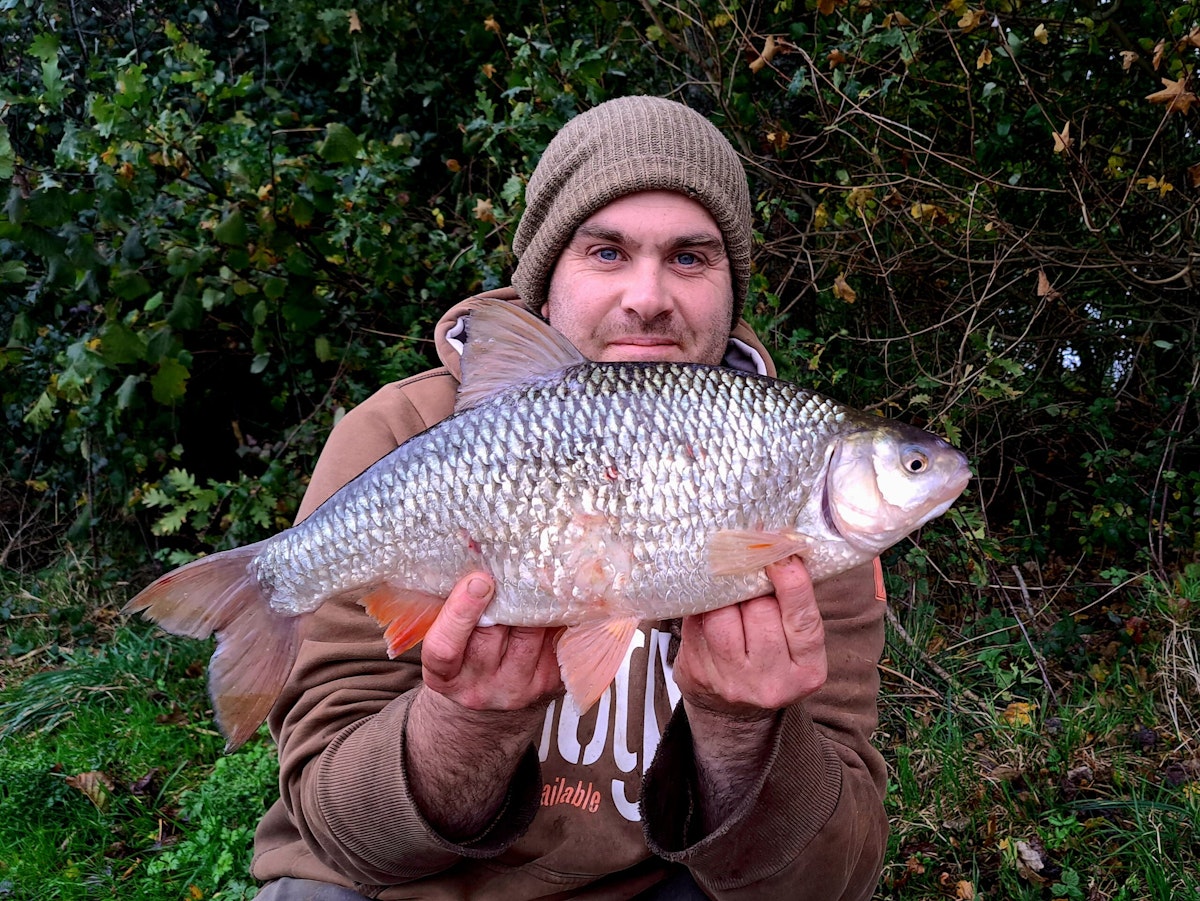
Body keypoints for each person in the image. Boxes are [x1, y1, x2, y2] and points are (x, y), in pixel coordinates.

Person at [250, 95, 889, 901]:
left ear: (731, 289)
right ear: (545, 282)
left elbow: (831, 878)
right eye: (607, 252)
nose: (649, 296)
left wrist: (743, 731)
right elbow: (340, 831)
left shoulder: (793, 477)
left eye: (690, 257)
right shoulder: (397, 436)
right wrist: (465, 723)